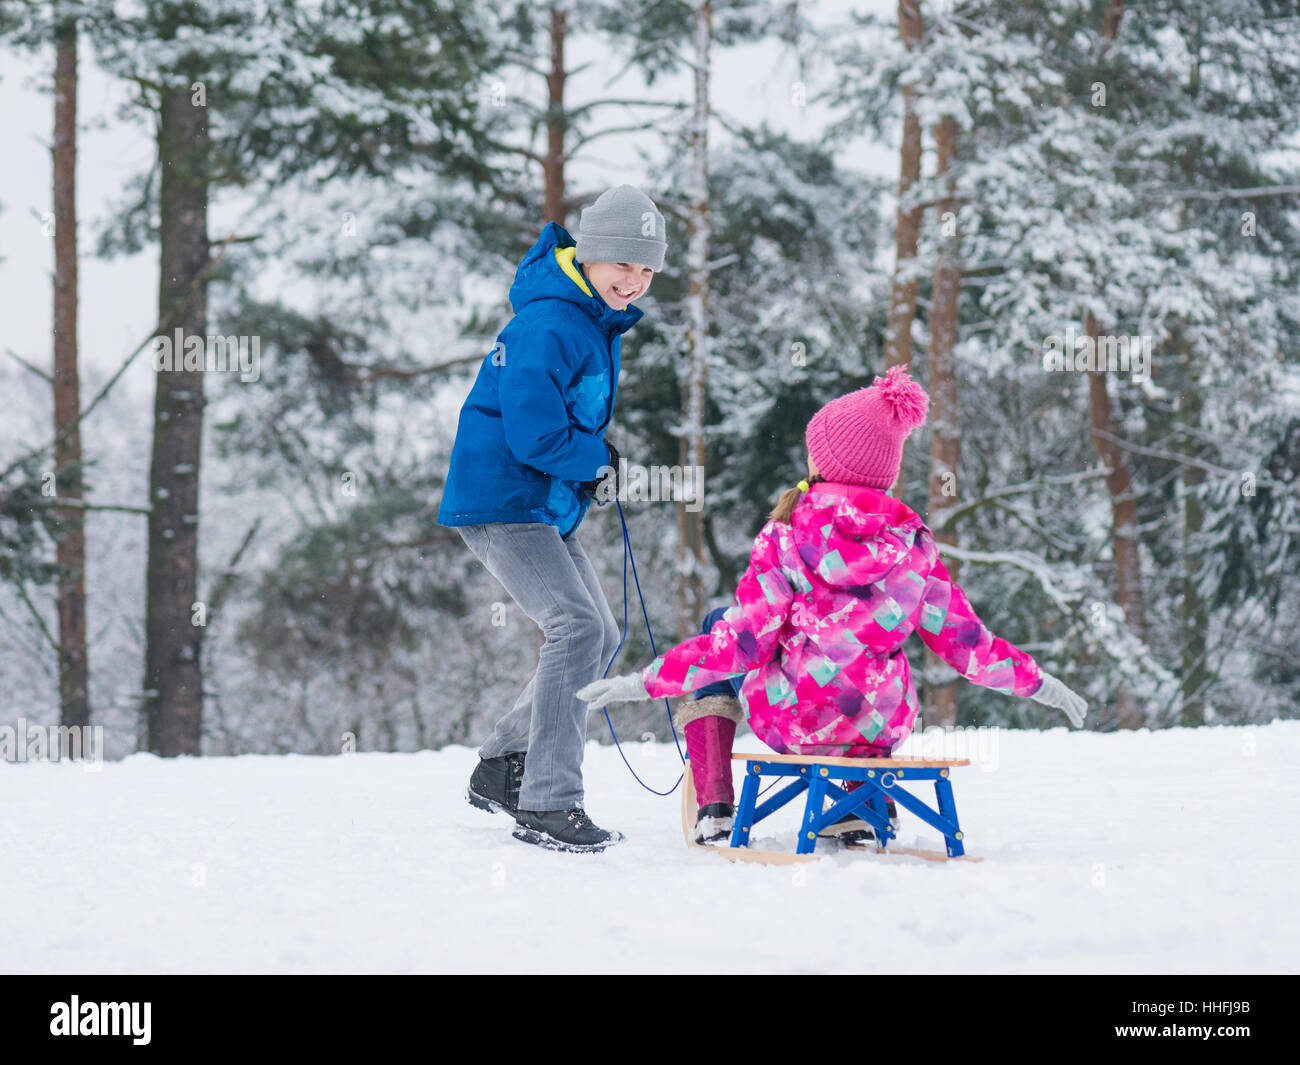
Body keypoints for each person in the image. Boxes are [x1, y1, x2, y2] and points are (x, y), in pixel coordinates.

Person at [577, 366, 1087, 844]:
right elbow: (965, 644)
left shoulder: (788, 533)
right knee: (869, 646)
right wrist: (1040, 683)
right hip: (878, 729)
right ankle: (859, 800)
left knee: (722, 625)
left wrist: (640, 682)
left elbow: (741, 644)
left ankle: (716, 806)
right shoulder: (915, 544)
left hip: (798, 722)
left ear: (825, 462)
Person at [437, 185, 668, 853]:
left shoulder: (587, 319)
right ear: (592, 256)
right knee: (576, 626)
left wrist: (589, 464)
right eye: (624, 262)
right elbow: (535, 435)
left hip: (538, 505)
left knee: (596, 631)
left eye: (647, 268)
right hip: (504, 500)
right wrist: (594, 458)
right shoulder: (550, 324)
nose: (635, 278)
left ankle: (504, 764)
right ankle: (549, 800)